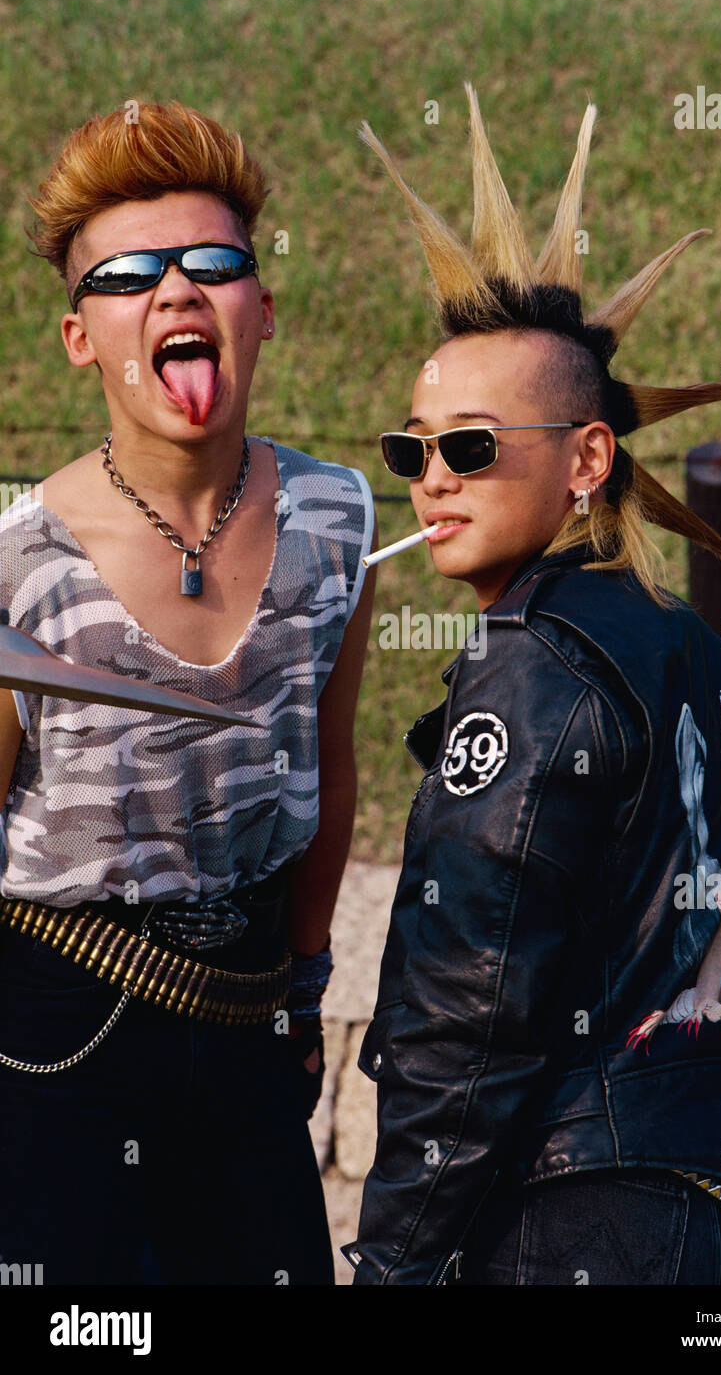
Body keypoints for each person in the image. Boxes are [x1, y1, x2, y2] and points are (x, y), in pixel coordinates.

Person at [343, 85, 721, 1286]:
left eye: (470, 445)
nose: (431, 478)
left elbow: (464, 1020)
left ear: (586, 458)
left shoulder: (532, 667)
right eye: (409, 449)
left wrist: (390, 1273)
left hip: (561, 1227)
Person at [0, 100, 376, 1284]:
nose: (175, 292)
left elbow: (331, 765)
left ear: (260, 309)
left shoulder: (337, 520)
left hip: (248, 1026)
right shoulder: (18, 565)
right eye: (126, 276)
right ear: (79, 335)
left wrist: (306, 990)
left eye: (213, 264)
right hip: (53, 1046)